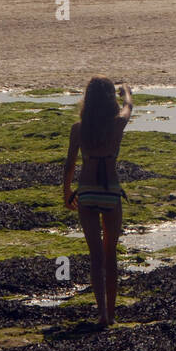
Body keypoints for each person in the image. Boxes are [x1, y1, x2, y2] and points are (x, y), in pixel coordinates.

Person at [63, 78, 133, 328]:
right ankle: (111, 314)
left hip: (88, 191)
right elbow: (129, 106)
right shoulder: (117, 124)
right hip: (111, 191)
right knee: (110, 254)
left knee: (95, 256)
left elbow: (70, 163)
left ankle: (102, 311)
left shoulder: (79, 128)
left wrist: (66, 191)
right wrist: (126, 89)